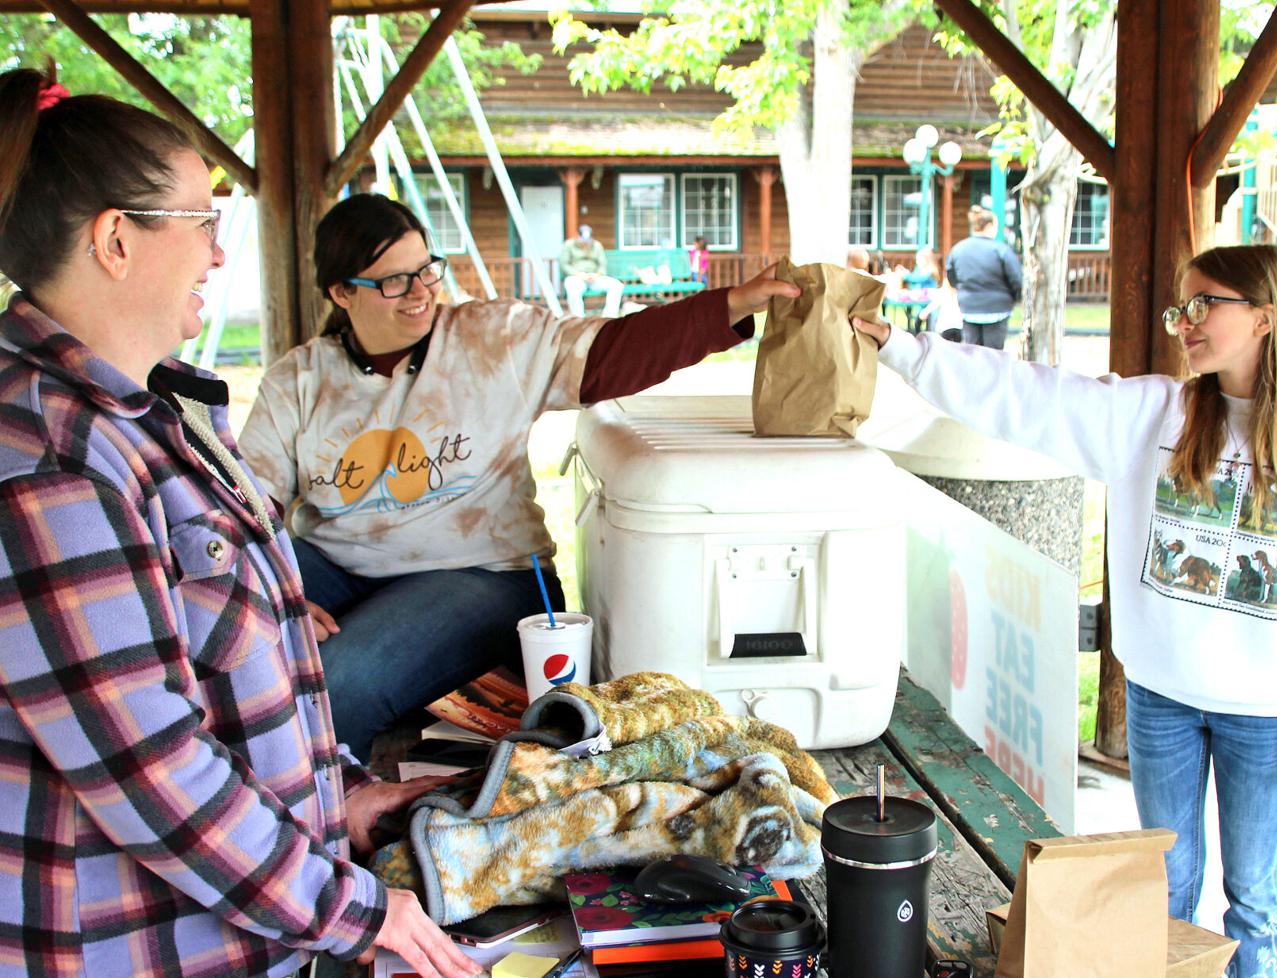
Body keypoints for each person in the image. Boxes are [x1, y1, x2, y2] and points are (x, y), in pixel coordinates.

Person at [0, 68, 480, 978]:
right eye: (202, 222)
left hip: (242, 921)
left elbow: (237, 680)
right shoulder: (50, 464)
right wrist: (352, 910)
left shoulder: (155, 414)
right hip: (139, 950)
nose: (218, 256)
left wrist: (341, 794)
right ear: (115, 240)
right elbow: (152, 769)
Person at [852, 243, 1277, 978]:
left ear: (1266, 316)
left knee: (1256, 896)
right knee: (1164, 887)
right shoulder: (1155, 414)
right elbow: (1030, 394)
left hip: (1261, 710)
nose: (1184, 323)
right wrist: (904, 349)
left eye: (1203, 305)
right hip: (1161, 699)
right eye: (1180, 308)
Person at [238, 194, 797, 762]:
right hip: (338, 569)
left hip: (477, 574)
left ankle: (304, 798)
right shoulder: (298, 379)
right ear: (341, 292)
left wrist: (731, 304)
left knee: (331, 684)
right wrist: (271, 588)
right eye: (394, 281)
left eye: (427, 270)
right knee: (226, 601)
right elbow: (244, 504)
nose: (421, 292)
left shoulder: (493, 339)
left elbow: (612, 350)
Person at [945, 205, 1022, 349]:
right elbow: (1016, 279)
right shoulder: (1001, 250)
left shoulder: (958, 249)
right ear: (990, 225)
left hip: (968, 307)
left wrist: (963, 291)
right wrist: (1015, 297)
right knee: (994, 355)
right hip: (997, 308)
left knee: (971, 353)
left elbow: (951, 276)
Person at [559, 223, 623, 316]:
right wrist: (578, 274)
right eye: (583, 240)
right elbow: (564, 264)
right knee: (572, 288)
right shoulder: (569, 245)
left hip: (594, 277)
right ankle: (579, 319)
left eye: (587, 240)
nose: (585, 243)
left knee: (617, 285)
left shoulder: (597, 245)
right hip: (577, 277)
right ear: (577, 236)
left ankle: (609, 316)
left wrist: (597, 274)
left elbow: (602, 264)